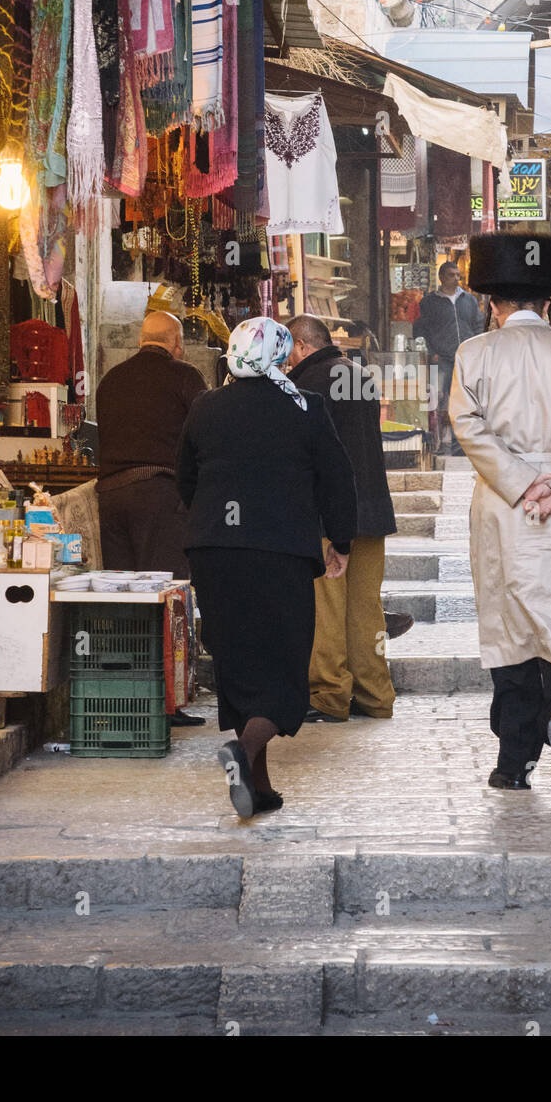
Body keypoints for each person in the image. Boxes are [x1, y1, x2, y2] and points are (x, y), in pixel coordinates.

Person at [449, 233, 551, 792]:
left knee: (510, 626)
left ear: (492, 303)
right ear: (548, 301)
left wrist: (520, 485)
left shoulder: (473, 353)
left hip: (503, 506)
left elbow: (467, 426)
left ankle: (513, 762)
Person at [177, 318, 357, 818]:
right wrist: (338, 540)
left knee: (238, 664)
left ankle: (257, 785)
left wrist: (212, 527)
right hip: (279, 554)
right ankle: (244, 752)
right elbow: (336, 479)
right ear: (280, 356)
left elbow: (186, 479)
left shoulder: (205, 407)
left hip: (214, 551)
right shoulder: (304, 406)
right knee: (283, 670)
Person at [286, 315, 401, 724]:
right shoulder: (361, 376)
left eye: (288, 349)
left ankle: (330, 696)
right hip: (371, 510)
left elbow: (312, 457)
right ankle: (375, 696)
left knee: (328, 608)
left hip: (327, 514)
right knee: (365, 608)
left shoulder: (306, 385)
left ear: (302, 345)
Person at [95, 310, 206, 578]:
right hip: (160, 496)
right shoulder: (185, 375)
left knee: (121, 589)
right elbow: (205, 433)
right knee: (164, 586)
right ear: (177, 343)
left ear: (140, 341)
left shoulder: (110, 379)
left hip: (111, 497)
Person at [412, 260, 482, 454]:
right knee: (440, 402)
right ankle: (442, 443)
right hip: (440, 358)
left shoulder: (469, 300)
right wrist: (431, 352)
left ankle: (461, 444)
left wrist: (476, 348)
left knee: (465, 401)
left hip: (465, 358)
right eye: (452, 275)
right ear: (441, 277)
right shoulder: (429, 302)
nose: (456, 279)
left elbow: (478, 324)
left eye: (458, 275)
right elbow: (421, 329)